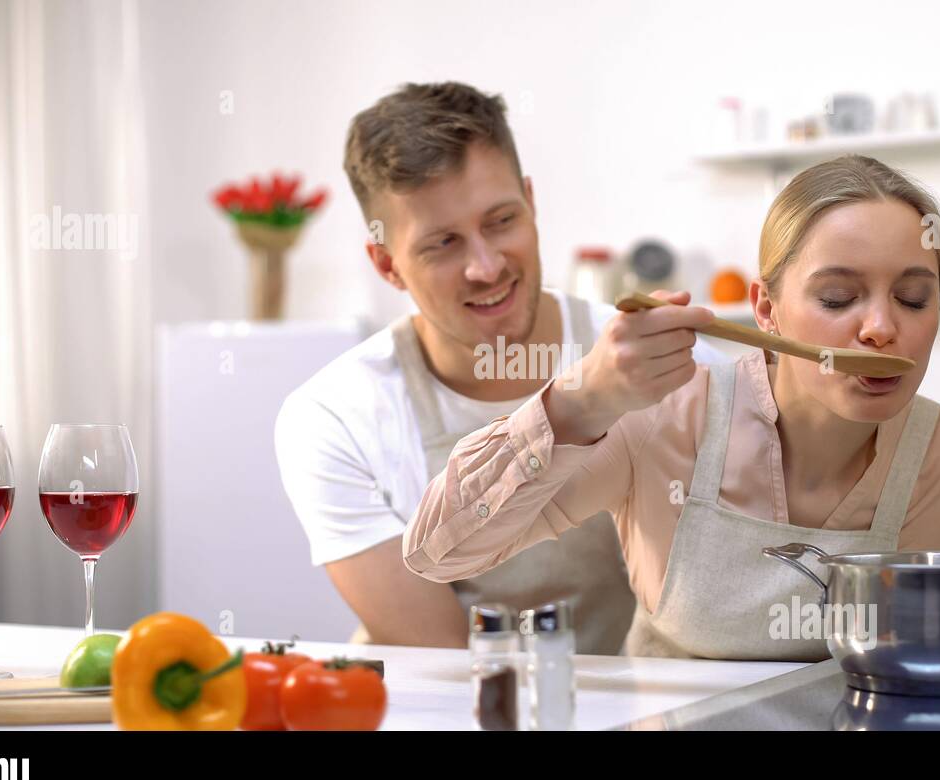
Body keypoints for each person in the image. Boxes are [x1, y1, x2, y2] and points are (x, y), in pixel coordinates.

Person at [403, 154, 940, 660]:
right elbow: (439, 552)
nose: (882, 326)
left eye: (914, 296)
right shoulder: (663, 420)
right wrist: (578, 400)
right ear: (766, 308)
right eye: (837, 296)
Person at [274, 81, 728, 652]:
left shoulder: (672, 366)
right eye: (443, 243)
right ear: (387, 264)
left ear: (531, 202)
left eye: (501, 221)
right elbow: (439, 658)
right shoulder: (334, 417)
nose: (485, 267)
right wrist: (582, 403)